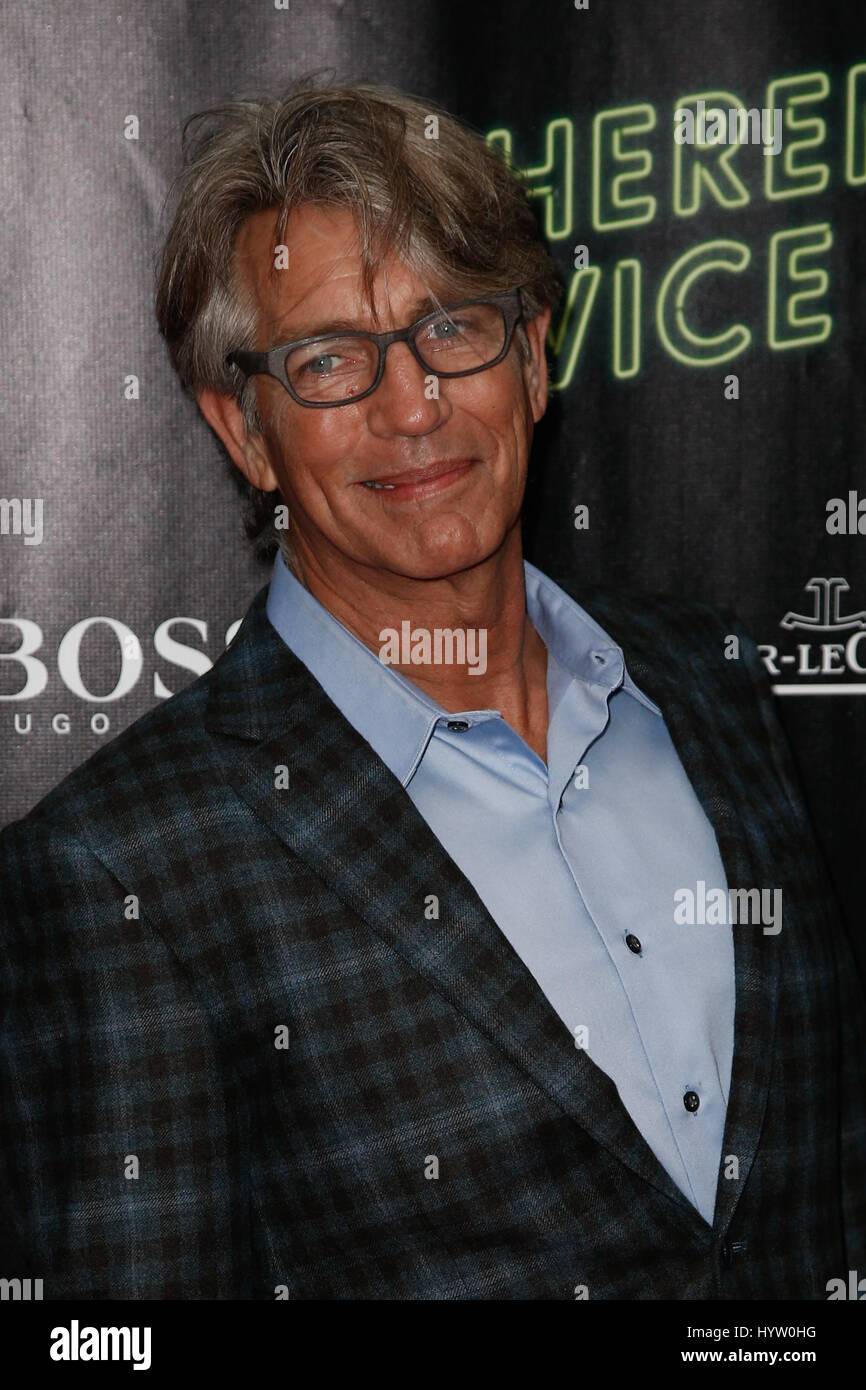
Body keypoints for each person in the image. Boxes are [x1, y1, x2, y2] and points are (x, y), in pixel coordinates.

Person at [1, 75, 864, 1301]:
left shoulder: (709, 686)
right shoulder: (123, 869)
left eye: (453, 325)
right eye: (330, 359)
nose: (413, 405)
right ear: (243, 432)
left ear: (533, 352)